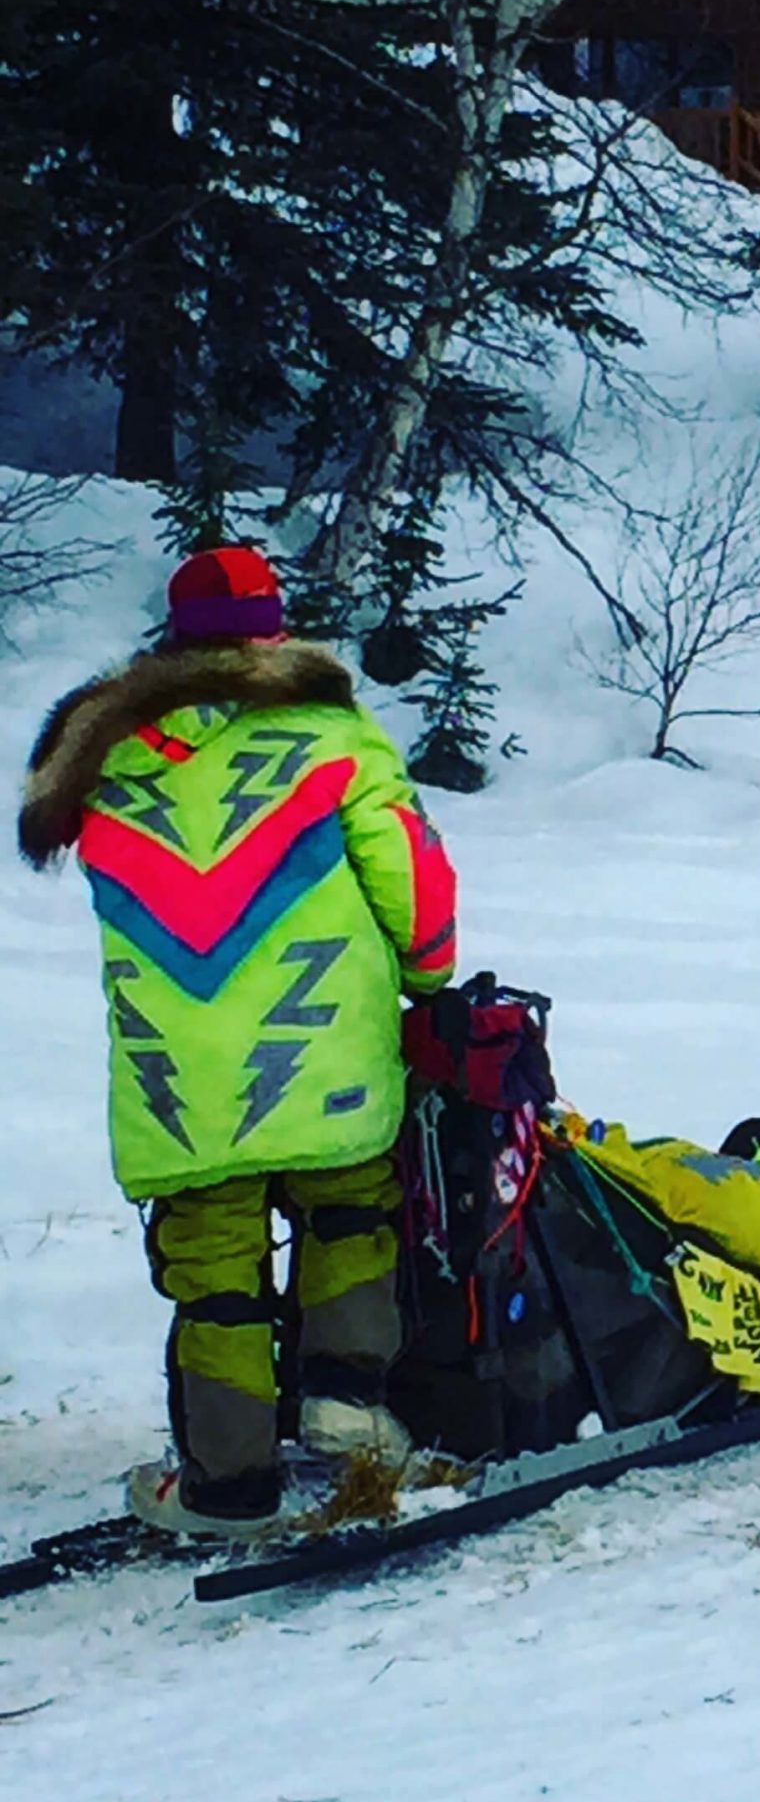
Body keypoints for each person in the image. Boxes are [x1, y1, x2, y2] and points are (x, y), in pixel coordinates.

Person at [17, 546, 458, 1536]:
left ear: (173, 636)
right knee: (349, 1208)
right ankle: (348, 1406)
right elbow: (415, 883)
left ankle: (226, 1476)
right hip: (325, 1038)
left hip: (176, 1069)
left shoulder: (111, 752)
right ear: (274, 624)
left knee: (212, 1262)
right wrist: (427, 979)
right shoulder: (332, 734)